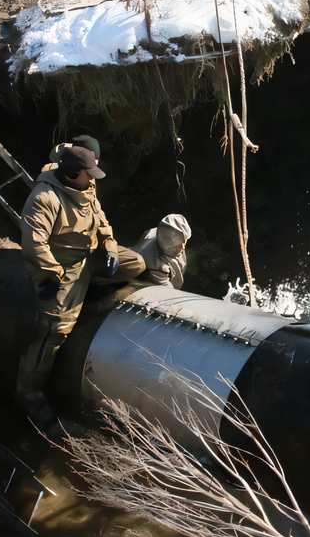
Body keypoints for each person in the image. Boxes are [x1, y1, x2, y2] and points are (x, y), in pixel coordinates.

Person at [17, 145, 144, 420]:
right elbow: (33, 244)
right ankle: (28, 392)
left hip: (91, 252)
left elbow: (99, 217)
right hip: (63, 263)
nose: (94, 179)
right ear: (74, 173)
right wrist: (54, 274)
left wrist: (110, 246)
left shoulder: (86, 186)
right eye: (90, 174)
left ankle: (88, 289)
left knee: (136, 263)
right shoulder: (45, 198)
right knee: (54, 330)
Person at [132, 214, 192, 289]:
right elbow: (168, 294)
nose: (183, 247)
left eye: (183, 240)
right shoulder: (156, 267)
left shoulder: (164, 232)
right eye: (177, 244)